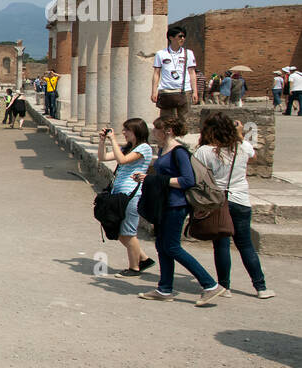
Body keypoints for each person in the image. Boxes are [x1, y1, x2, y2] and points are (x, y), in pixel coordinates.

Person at [134, 117, 224, 305]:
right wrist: (147, 178)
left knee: (172, 247)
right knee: (161, 246)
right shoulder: (162, 149)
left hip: (177, 205)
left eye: (156, 129)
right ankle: (164, 288)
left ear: (167, 130)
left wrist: (158, 181)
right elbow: (163, 175)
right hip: (164, 203)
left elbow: (187, 180)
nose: (153, 133)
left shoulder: (179, 151)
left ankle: (210, 285)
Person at [195, 113, 274, 299]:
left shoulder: (204, 151)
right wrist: (239, 134)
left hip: (216, 201)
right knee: (245, 244)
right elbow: (253, 157)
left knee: (221, 245)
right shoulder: (242, 147)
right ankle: (260, 287)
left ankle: (224, 286)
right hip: (240, 200)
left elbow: (197, 176)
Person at [97, 118, 156, 277]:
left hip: (132, 194)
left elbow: (122, 160)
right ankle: (144, 259)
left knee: (128, 232)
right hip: (119, 194)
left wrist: (113, 140)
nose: (124, 133)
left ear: (136, 131)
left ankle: (134, 268)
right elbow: (103, 157)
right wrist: (102, 141)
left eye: (127, 130)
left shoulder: (144, 148)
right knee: (119, 232)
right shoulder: (128, 148)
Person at [152, 24, 199, 126]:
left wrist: (195, 91)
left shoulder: (189, 53)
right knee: (166, 120)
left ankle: (181, 139)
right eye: (180, 36)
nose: (182, 38)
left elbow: (192, 73)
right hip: (166, 90)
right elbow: (156, 73)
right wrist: (154, 91)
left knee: (184, 120)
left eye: (183, 36)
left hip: (184, 90)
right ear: (171, 38)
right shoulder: (161, 54)